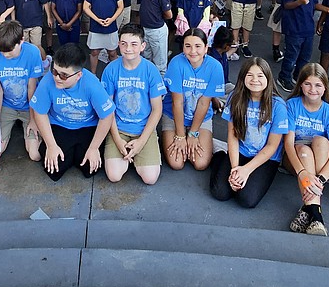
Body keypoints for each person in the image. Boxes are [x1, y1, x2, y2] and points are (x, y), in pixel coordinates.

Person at [30, 43, 117, 181]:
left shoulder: (92, 84)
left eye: (64, 75)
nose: (57, 77)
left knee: (90, 168)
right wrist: (51, 145)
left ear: (78, 75)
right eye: (55, 71)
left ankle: (76, 152)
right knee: (54, 170)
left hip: (87, 126)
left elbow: (107, 116)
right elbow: (40, 112)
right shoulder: (47, 81)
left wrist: (94, 148)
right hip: (60, 124)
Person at [210, 58, 288, 209]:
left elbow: (272, 146)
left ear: (268, 78)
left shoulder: (278, 106)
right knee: (220, 193)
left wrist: (245, 170)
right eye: (250, 75)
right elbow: (232, 135)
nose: (255, 80)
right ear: (243, 77)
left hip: (265, 158)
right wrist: (234, 169)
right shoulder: (235, 98)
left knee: (246, 199)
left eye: (260, 76)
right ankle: (220, 157)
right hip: (240, 151)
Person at [101, 24, 166, 185]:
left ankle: (136, 153)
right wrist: (116, 139)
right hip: (119, 128)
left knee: (150, 178)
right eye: (123, 43)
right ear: (118, 44)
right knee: (114, 175)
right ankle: (126, 154)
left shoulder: (151, 70)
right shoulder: (111, 69)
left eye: (134, 44)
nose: (128, 48)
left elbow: (157, 110)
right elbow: (108, 110)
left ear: (143, 46)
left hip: (144, 129)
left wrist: (141, 141)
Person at [285, 63, 329, 236]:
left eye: (318, 85)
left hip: (321, 166)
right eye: (308, 84)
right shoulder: (292, 105)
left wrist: (320, 180)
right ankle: (317, 216)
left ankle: (308, 210)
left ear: (325, 87)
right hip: (295, 158)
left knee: (321, 141)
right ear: (300, 84)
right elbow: (288, 144)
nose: (312, 89)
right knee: (304, 149)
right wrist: (303, 172)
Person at [161, 29, 226, 171]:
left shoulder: (215, 67)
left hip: (200, 117)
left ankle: (206, 139)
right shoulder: (176, 63)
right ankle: (180, 135)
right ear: (183, 47)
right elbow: (177, 102)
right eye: (187, 46)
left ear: (206, 48)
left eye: (198, 46)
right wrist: (180, 135)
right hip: (173, 115)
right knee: (176, 163)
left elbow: (204, 102)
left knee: (200, 164)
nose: (193, 51)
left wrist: (193, 133)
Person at [0, 20, 45, 159]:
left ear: (21, 40)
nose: (5, 55)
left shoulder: (32, 52)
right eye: (2, 51)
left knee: (34, 155)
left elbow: (32, 88)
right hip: (6, 105)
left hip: (28, 105)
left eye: (10, 51)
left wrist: (34, 119)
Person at [83, 0, 125, 73]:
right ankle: (93, 75)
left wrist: (112, 20)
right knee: (94, 52)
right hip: (95, 27)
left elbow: (120, 6)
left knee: (112, 53)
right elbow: (85, 7)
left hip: (111, 28)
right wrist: (96, 19)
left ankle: (115, 74)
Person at [139, 0, 173, 74]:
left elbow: (169, 14)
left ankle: (161, 85)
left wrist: (157, 16)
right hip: (146, 30)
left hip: (157, 31)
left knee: (160, 62)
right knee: (146, 56)